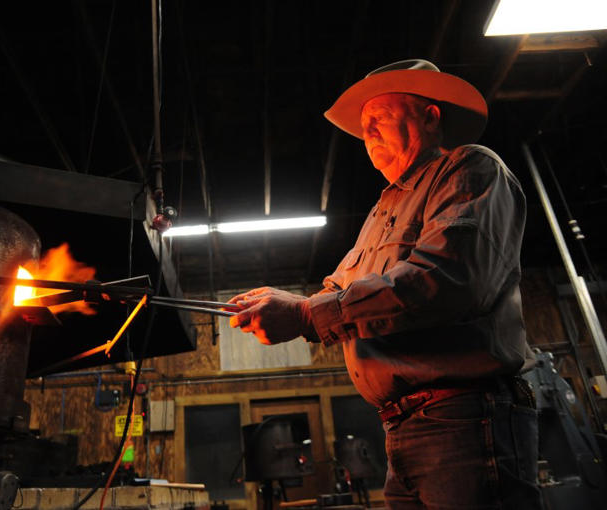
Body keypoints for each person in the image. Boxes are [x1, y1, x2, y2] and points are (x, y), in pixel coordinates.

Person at [228, 60, 542, 509]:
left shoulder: (468, 168)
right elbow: (338, 291)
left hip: (464, 419)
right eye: (363, 128)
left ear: (430, 117)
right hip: (403, 427)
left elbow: (447, 278)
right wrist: (282, 303)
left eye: (380, 119)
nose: (368, 135)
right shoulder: (381, 213)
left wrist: (302, 314)